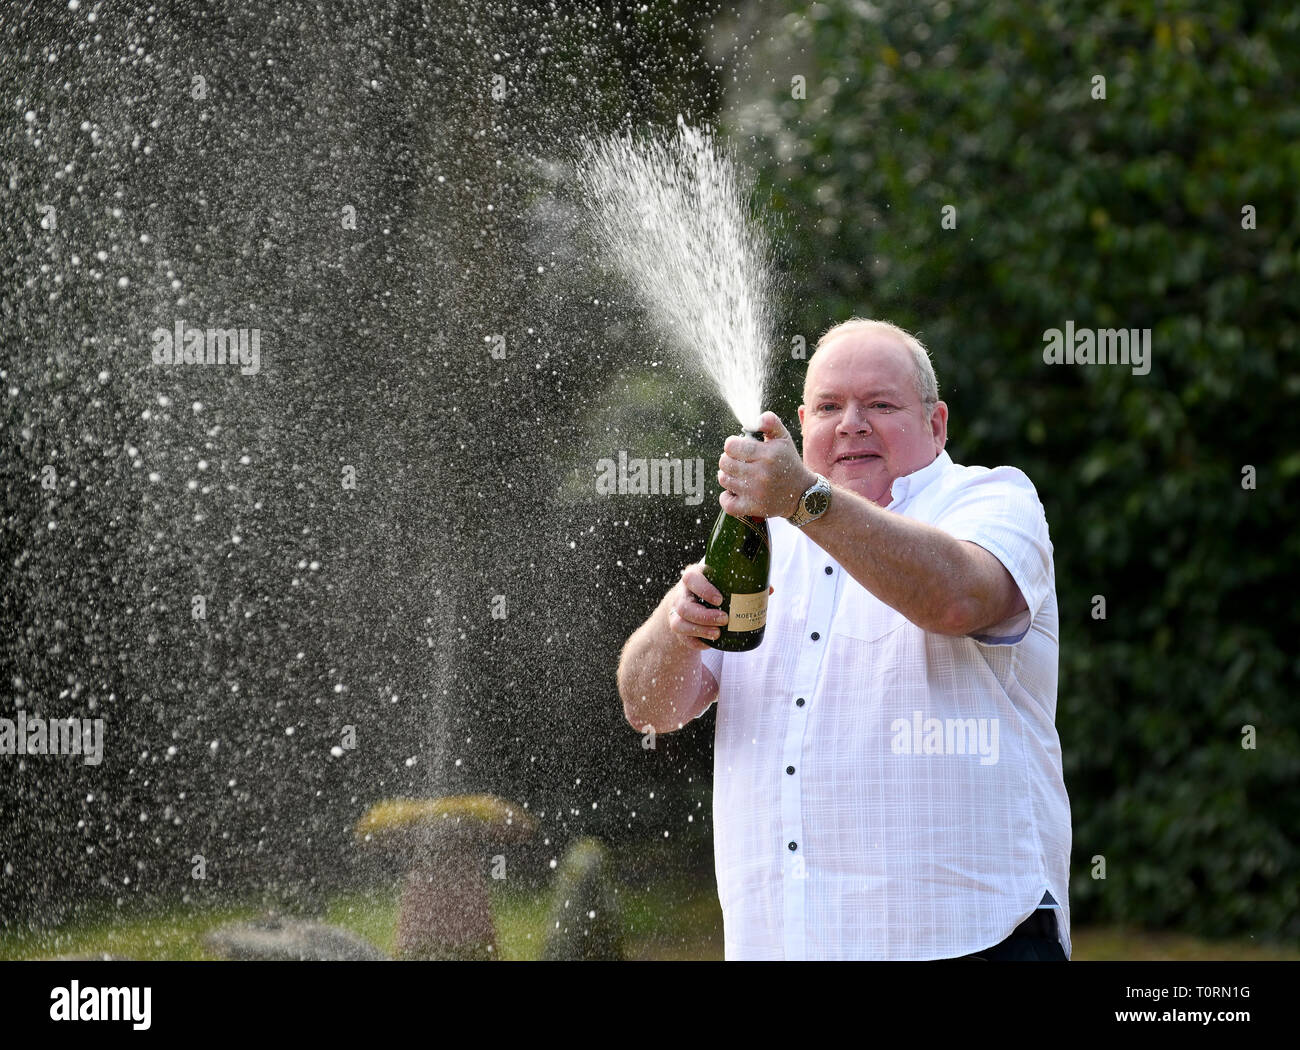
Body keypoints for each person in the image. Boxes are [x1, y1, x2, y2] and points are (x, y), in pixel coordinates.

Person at [616, 318, 1071, 960]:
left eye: (879, 404)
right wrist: (678, 629)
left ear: (936, 424)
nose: (851, 423)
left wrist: (805, 498)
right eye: (829, 407)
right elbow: (649, 708)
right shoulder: (765, 539)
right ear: (803, 423)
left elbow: (956, 598)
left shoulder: (992, 500)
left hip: (974, 939)